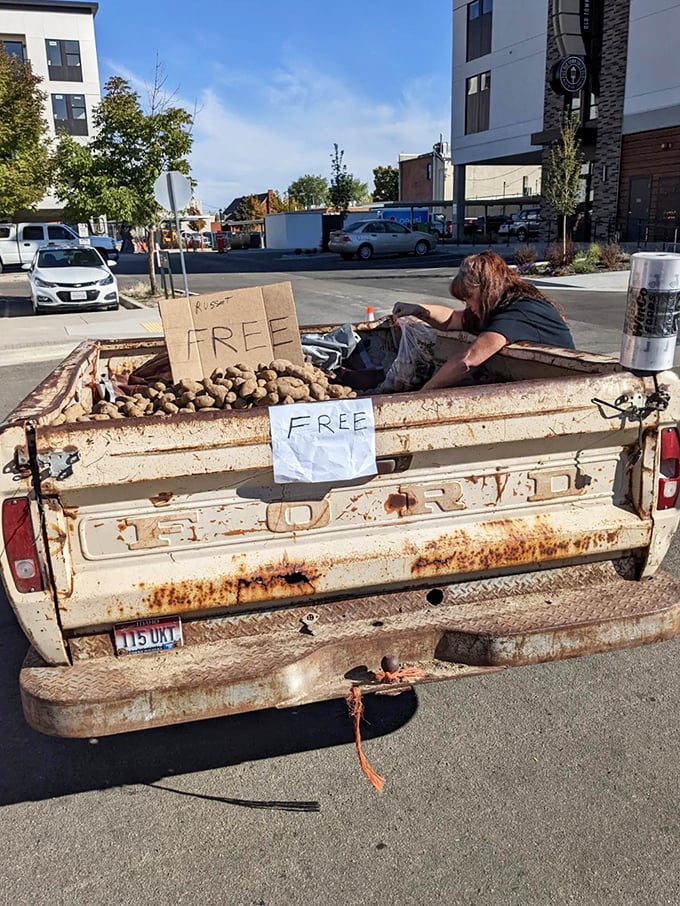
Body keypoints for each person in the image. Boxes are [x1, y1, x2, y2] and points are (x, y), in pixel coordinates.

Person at [391, 250, 575, 391]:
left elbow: (467, 361)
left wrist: (422, 394)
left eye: (469, 297)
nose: (468, 304)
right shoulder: (496, 307)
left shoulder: (518, 311)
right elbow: (452, 320)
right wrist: (418, 310)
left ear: (487, 290)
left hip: (562, 386)